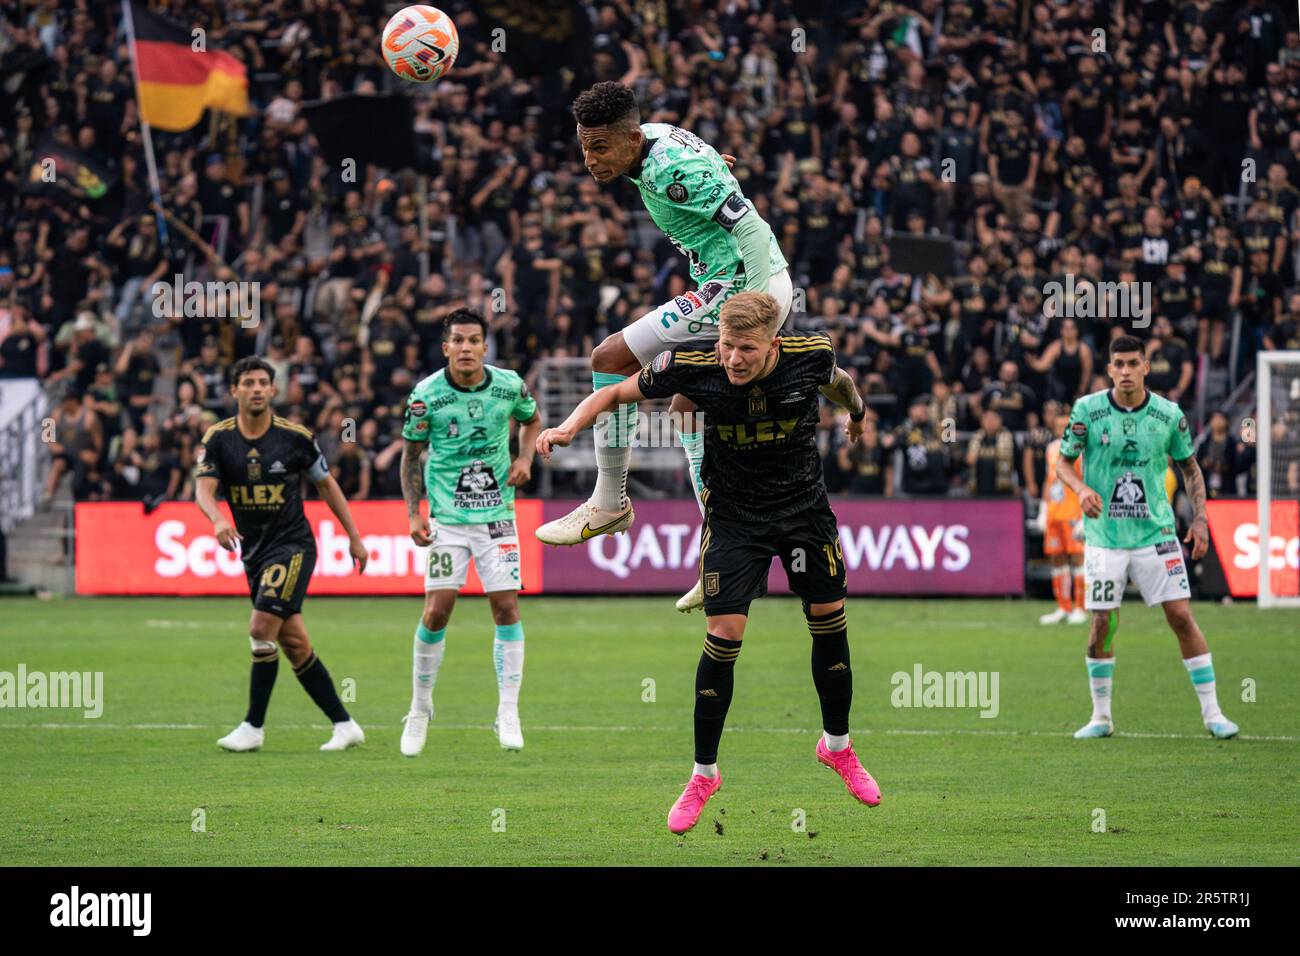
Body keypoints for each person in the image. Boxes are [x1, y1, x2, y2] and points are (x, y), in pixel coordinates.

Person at [536, 292, 882, 834]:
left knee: (828, 616)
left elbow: (839, 384)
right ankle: (703, 774)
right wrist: (567, 428)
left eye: (746, 348)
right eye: (726, 345)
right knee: (723, 635)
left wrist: (857, 415)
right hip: (735, 519)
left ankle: (837, 746)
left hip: (803, 512)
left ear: (773, 344)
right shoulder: (692, 366)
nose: (733, 358)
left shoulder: (808, 354)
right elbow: (614, 393)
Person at [535, 81, 793, 616]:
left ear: (631, 139)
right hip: (734, 284)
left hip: (741, 287)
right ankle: (719, 553)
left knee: (609, 359)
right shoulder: (652, 144)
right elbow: (713, 181)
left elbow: (750, 225)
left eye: (600, 147)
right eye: (583, 146)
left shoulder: (670, 168)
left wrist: (758, 311)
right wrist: (718, 174)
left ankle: (609, 502)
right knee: (686, 408)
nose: (589, 159)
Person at [1055, 336, 1238, 740]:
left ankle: (1213, 714)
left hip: (1157, 534)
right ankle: (1101, 717)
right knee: (1104, 621)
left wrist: (1201, 519)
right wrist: (1081, 490)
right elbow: (1063, 464)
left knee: (1181, 616)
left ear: (1145, 367)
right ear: (1108, 369)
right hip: (1105, 537)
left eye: (1132, 363)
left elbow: (1190, 469)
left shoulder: (1168, 415)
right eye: (1117, 363)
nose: (1124, 371)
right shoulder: (1088, 410)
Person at [195, 358, 369, 753]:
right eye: (248, 383)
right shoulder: (219, 438)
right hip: (253, 553)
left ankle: (253, 727)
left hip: (293, 547)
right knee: (294, 645)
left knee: (260, 630)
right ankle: (345, 724)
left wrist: (354, 537)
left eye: (263, 383)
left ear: (273, 391)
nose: (256, 389)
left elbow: (328, 487)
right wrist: (218, 518)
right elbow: (204, 490)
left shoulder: (295, 438)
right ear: (234, 391)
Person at [398, 309, 541, 754]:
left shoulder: (509, 384)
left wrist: (524, 459)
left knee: (506, 608)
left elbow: (532, 421)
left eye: (473, 340)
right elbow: (410, 455)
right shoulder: (425, 396)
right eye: (457, 340)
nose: (465, 348)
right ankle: (420, 709)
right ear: (446, 348)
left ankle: (507, 711)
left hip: (497, 518)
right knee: (437, 611)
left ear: (484, 347)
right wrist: (413, 514)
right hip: (447, 521)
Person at [1038, 403, 1087, 625]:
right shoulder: (1051, 448)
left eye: (1065, 425)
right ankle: (1063, 607)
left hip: (1073, 511)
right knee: (1057, 559)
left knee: (1078, 559)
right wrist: (1043, 508)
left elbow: (1087, 481)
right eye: (1058, 425)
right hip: (1054, 512)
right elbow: (1048, 480)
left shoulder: (1082, 450)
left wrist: (1086, 516)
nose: (1061, 429)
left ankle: (1080, 607)